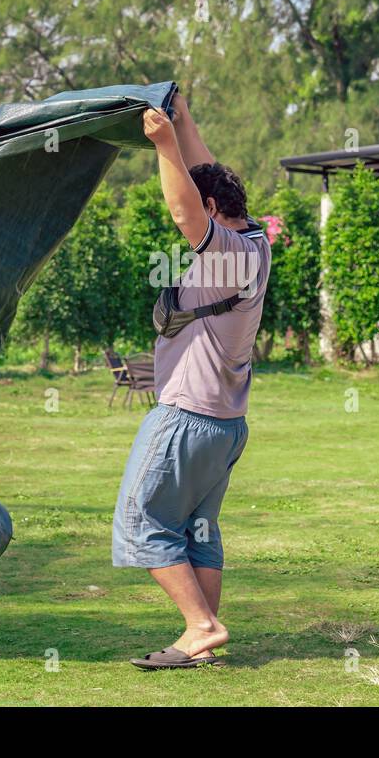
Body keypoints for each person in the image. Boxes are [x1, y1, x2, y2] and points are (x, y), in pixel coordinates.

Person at [112, 93, 270, 669]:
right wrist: (183, 125)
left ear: (211, 208)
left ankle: (201, 624)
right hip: (225, 426)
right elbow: (206, 184)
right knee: (199, 527)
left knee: (141, 521)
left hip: (185, 417)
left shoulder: (227, 253)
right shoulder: (256, 242)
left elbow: (186, 212)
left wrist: (162, 146)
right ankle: (201, 641)